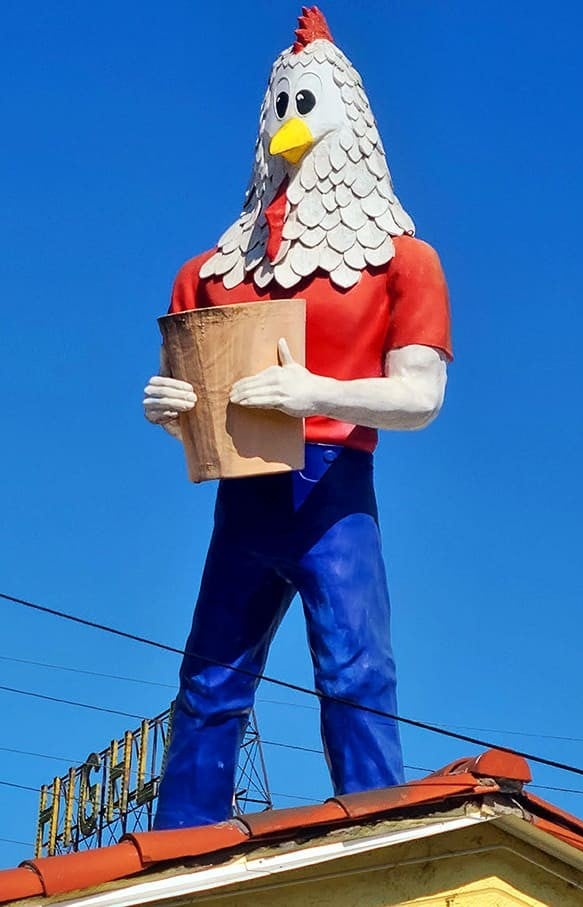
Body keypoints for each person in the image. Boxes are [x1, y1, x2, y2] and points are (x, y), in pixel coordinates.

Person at [142, 7, 452, 830]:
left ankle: (379, 837)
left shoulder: (401, 261)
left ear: (348, 116)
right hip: (244, 490)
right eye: (278, 106)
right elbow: (195, 397)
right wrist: (172, 406)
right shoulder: (211, 272)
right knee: (210, 679)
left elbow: (420, 397)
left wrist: (317, 393)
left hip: (333, 491)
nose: (288, 124)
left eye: (305, 104)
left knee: (355, 672)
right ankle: (184, 847)